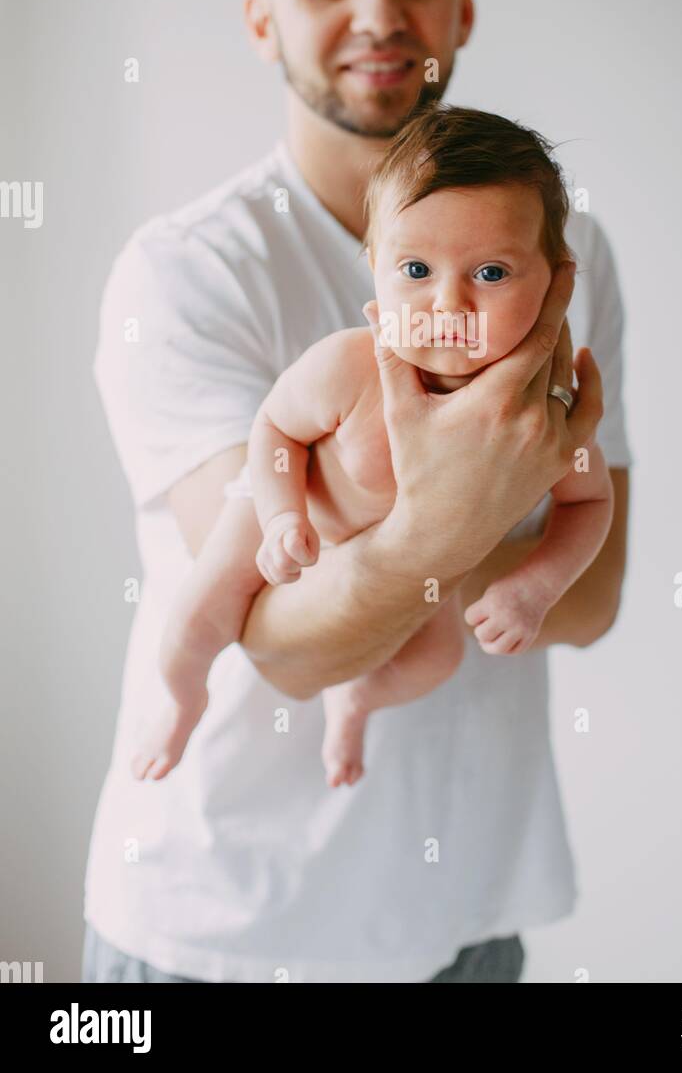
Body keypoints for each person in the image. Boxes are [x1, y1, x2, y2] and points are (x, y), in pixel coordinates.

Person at [82, 0, 633, 984]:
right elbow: (278, 642)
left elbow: (588, 601)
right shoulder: (187, 273)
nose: (378, 11)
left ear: (461, 4)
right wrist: (452, 524)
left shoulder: (559, 257)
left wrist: (469, 563)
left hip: (468, 910)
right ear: (262, 20)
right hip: (229, 926)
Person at [128, 104, 615, 791]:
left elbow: (591, 503)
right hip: (286, 530)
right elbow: (276, 432)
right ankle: (183, 704)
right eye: (415, 270)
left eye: (492, 274)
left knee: (438, 656)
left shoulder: (545, 418)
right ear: (375, 268)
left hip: (413, 587)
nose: (448, 303)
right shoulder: (349, 367)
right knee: (196, 616)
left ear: (556, 280)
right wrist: (280, 516)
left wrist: (535, 587)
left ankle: (356, 702)